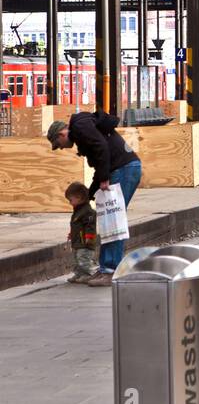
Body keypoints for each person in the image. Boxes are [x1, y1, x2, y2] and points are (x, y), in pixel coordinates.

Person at [47, 110, 142, 285]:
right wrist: (89, 194)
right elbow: (100, 162)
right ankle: (106, 268)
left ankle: (110, 270)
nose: (61, 148)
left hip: (123, 169)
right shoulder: (82, 131)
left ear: (61, 134)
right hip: (123, 168)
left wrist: (104, 178)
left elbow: (101, 147)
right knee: (109, 220)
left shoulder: (80, 127)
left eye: (58, 144)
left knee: (114, 221)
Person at [64, 181, 99, 284]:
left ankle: (87, 274)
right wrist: (72, 234)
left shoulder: (87, 212)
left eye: (70, 200)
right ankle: (79, 273)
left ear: (79, 198)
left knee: (83, 259)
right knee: (76, 259)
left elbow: (90, 226)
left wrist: (89, 237)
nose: (69, 203)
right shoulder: (78, 211)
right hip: (77, 241)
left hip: (84, 242)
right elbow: (77, 226)